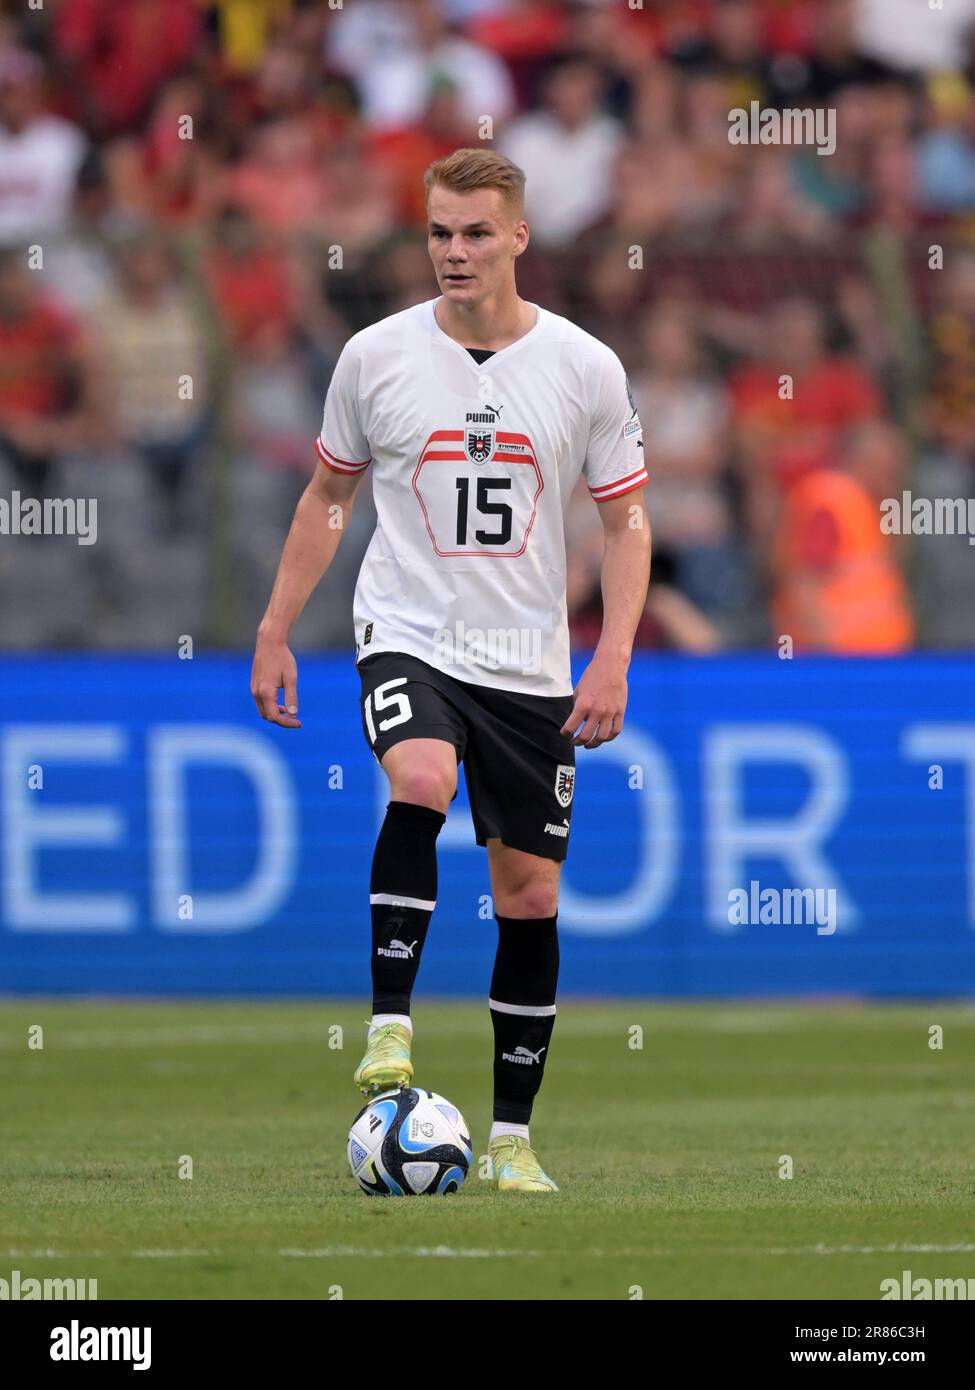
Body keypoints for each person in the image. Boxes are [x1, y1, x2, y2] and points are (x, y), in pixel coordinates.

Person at [251, 148, 650, 1193]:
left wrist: (610, 654)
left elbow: (625, 522)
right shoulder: (374, 356)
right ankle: (389, 1029)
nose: (454, 251)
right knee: (421, 777)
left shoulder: (584, 366)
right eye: (438, 231)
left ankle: (512, 1140)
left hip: (528, 662)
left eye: (475, 232)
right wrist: (276, 627)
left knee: (529, 894)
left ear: (518, 236)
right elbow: (327, 499)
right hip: (409, 632)